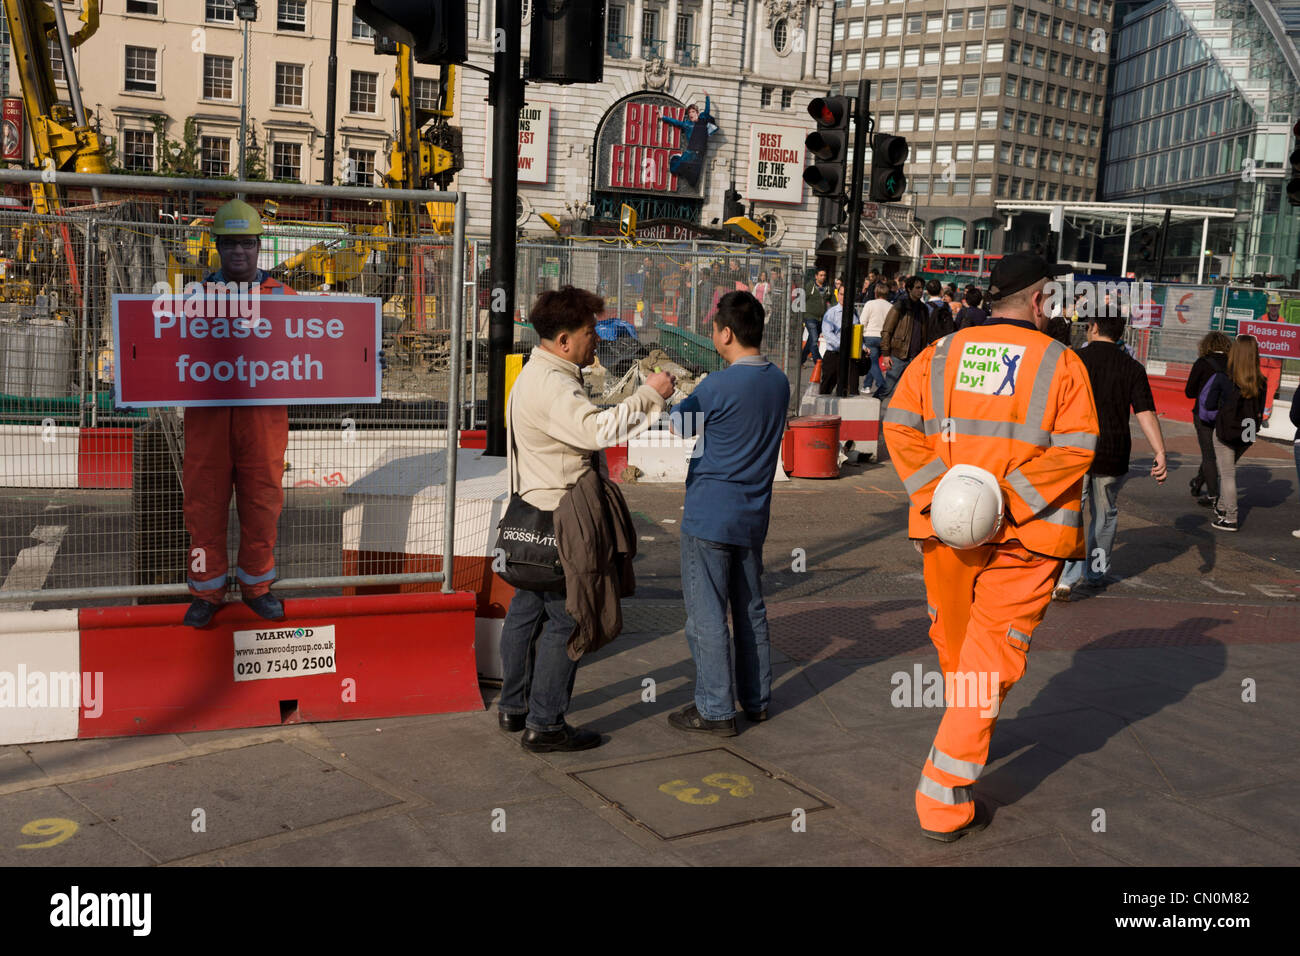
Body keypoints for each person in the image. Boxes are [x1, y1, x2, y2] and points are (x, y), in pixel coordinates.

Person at [882, 251, 1099, 842]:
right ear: (1037, 301)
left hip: (947, 532)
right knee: (987, 662)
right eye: (1050, 300)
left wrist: (942, 494)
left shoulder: (941, 354)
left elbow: (897, 422)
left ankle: (964, 733)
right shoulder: (1061, 364)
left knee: (960, 655)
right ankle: (942, 795)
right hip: (1029, 537)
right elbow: (1078, 447)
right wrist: (1009, 499)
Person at [498, 287, 675, 751]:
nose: (597, 339)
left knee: (526, 611)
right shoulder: (555, 385)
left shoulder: (534, 373)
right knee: (569, 619)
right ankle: (546, 724)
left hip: (528, 513)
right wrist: (647, 396)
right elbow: (596, 431)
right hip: (561, 517)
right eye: (589, 332)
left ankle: (514, 708)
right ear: (562, 340)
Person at [668, 292, 790, 735]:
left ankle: (715, 708)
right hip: (753, 512)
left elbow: (679, 427)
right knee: (750, 608)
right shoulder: (778, 381)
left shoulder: (717, 385)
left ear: (726, 334)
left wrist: (677, 396)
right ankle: (756, 699)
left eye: (714, 328)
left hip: (709, 513)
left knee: (706, 615)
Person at [182, 199, 298, 629]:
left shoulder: (285, 298)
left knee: (262, 503)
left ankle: (257, 587)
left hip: (263, 424)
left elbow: (313, 351)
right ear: (217, 247)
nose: (238, 253)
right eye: (230, 245)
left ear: (258, 246)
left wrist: (356, 362)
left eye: (246, 244)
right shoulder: (193, 299)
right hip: (208, 424)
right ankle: (205, 590)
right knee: (203, 508)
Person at [1054, 315, 1167, 601]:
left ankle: (1067, 577)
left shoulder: (1072, 360)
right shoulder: (1132, 367)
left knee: (1072, 513)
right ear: (1120, 333)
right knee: (1105, 514)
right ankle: (1095, 571)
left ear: (1093, 328)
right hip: (1113, 450)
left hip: (1075, 449)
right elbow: (1145, 412)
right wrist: (1160, 451)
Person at [1207, 334, 1266, 532]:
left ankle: (1230, 517)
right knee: (1229, 469)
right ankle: (1223, 507)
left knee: (1227, 474)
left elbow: (1209, 404)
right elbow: (1260, 409)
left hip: (1226, 430)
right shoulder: (1261, 382)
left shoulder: (1224, 378)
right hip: (1247, 432)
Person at [1184, 331, 1232, 507]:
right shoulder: (1232, 364)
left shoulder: (1202, 363)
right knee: (1215, 452)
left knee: (1208, 454)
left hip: (1203, 414)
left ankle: (1213, 496)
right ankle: (1198, 481)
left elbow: (1189, 392)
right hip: (1225, 415)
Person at [877, 275, 928, 401]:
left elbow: (924, 333)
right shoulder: (900, 305)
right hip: (898, 355)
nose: (920, 291)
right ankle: (870, 413)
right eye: (917, 288)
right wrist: (886, 354)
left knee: (909, 393)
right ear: (909, 289)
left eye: (922, 288)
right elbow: (887, 330)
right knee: (887, 388)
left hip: (916, 357)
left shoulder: (923, 309)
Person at [818, 289, 859, 395]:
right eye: (841, 294)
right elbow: (827, 333)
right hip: (834, 355)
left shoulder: (854, 312)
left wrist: (862, 346)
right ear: (837, 295)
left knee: (852, 390)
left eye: (846, 295)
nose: (843, 297)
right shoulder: (831, 313)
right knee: (826, 389)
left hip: (850, 356)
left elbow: (857, 333)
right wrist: (842, 345)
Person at [859, 280, 893, 395]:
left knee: (872, 363)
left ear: (876, 293)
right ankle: (867, 385)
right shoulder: (891, 306)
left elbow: (862, 321)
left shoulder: (870, 304)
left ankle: (882, 385)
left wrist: (862, 335)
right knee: (873, 363)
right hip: (884, 337)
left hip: (870, 335)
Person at [799, 267, 832, 365]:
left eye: (824, 275)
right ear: (816, 276)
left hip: (821, 319)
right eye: (821, 275)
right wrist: (802, 315)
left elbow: (832, 300)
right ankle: (819, 361)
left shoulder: (827, 287)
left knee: (810, 341)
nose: (823, 277)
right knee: (814, 340)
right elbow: (802, 300)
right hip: (810, 317)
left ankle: (800, 360)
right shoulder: (810, 286)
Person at [924, 278, 955, 344]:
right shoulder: (946, 306)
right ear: (941, 290)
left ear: (927, 292)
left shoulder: (925, 307)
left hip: (929, 343)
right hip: (943, 341)